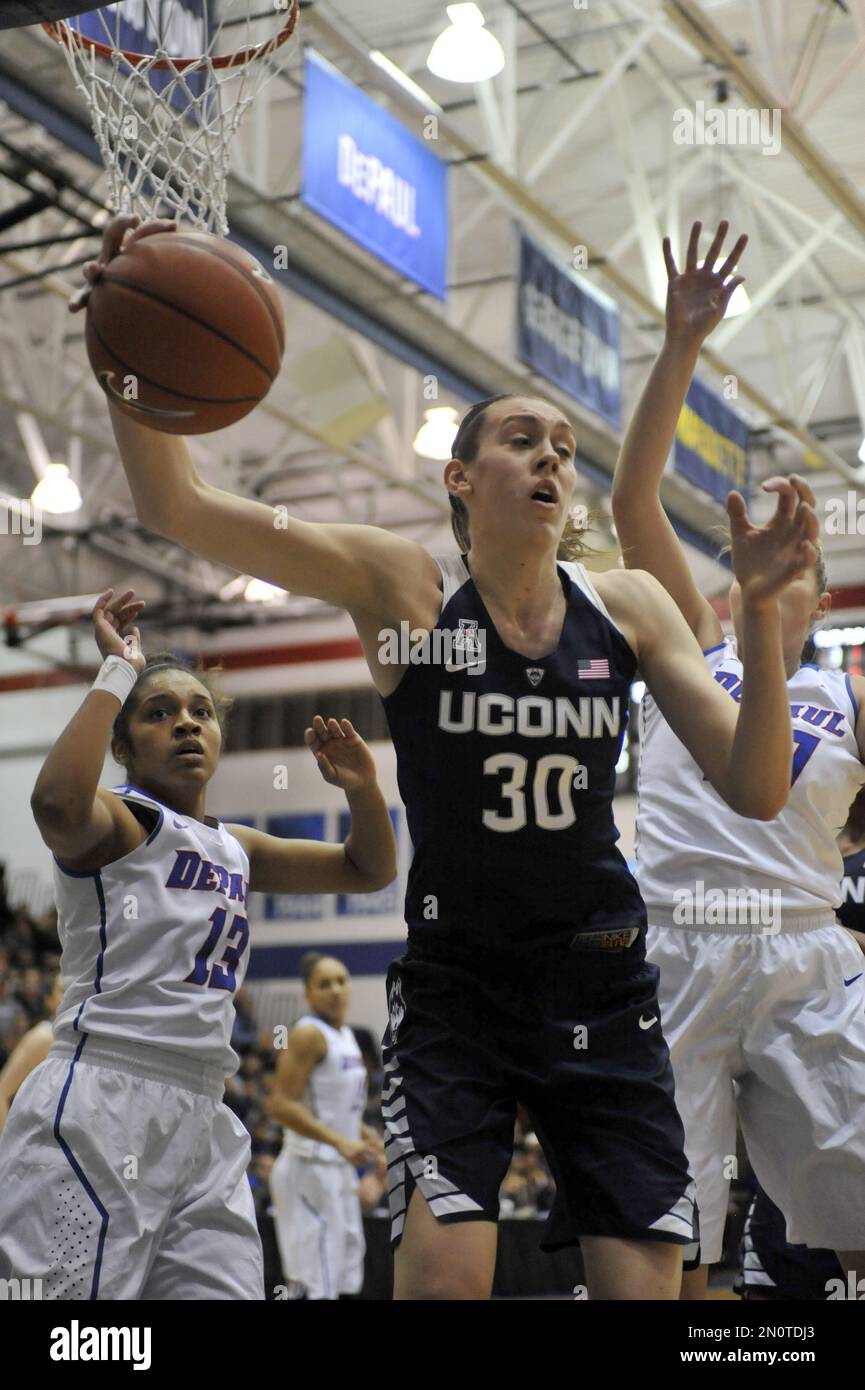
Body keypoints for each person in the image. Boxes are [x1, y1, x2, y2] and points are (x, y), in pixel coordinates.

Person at [79, 214, 818, 1300]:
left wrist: (754, 611)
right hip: (457, 986)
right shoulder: (403, 589)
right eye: (522, 439)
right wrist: (128, 361)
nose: (552, 456)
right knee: (444, 1283)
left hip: (602, 977)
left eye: (563, 445)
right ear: (461, 477)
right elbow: (175, 503)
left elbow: (757, 789)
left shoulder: (628, 606)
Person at [0, 589, 397, 1300]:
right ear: (121, 746)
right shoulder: (119, 822)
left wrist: (364, 790)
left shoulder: (236, 846)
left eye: (200, 712)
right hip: (104, 1093)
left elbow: (367, 869)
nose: (185, 722)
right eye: (158, 713)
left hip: (203, 1110)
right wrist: (117, 673)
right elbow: (54, 801)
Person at [611, 219, 865, 1300]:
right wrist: (679, 344)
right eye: (742, 550)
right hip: (678, 945)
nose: (757, 557)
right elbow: (631, 501)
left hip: (805, 949)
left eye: (786, 554)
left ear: (818, 592)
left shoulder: (847, 697)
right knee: (681, 1247)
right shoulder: (688, 649)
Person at [266, 951, 383, 1300]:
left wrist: (367, 1137)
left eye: (341, 981)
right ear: (308, 993)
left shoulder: (346, 1035)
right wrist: (339, 1142)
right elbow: (280, 1105)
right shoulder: (307, 1034)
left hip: (337, 1170)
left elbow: (337, 1108)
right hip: (307, 1168)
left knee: (344, 1279)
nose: (335, 990)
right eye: (324, 984)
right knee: (313, 1285)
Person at [0, 971, 63, 1137]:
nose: (69, 996)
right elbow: (2, 1091)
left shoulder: (74, 1038)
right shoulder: (44, 1036)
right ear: (49, 1000)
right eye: (62, 990)